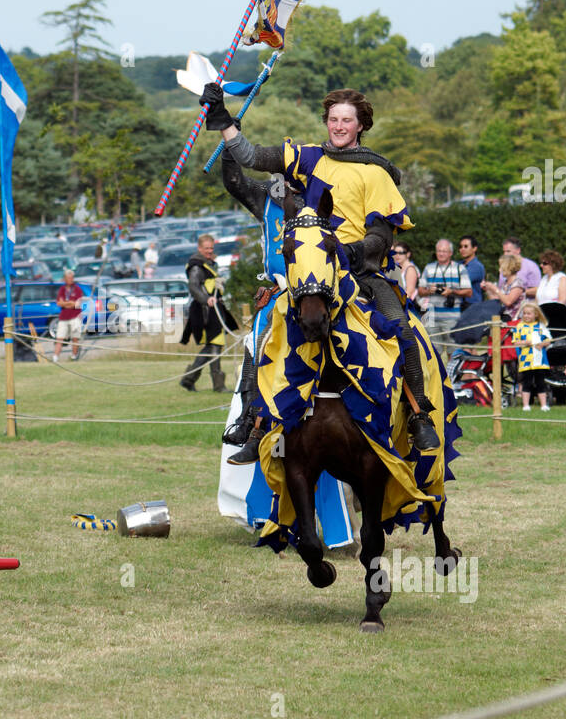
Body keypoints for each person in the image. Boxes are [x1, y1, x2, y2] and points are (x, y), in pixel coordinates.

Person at [207, 82, 444, 450]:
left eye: (346, 120)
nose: (338, 126)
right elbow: (250, 156)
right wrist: (222, 118)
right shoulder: (306, 156)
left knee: (400, 326)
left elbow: (381, 237)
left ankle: (418, 416)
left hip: (358, 272)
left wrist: (351, 252)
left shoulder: (376, 173)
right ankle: (254, 422)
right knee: (264, 330)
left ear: (360, 124)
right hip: (311, 272)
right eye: (333, 119)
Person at [218, 145, 301, 463]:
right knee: (255, 344)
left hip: (320, 288)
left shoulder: (322, 198)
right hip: (279, 293)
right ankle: (252, 426)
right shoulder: (266, 199)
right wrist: (228, 148)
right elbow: (235, 182)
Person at [179, 233, 234, 392]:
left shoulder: (209, 263)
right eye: (206, 248)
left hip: (214, 310)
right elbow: (193, 287)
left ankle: (190, 380)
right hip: (205, 311)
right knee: (214, 345)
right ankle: (216, 385)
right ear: (199, 248)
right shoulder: (196, 266)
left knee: (213, 346)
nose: (209, 251)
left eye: (211, 248)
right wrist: (206, 299)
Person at [417, 239, 472, 358]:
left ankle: (453, 375)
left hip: (452, 317)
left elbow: (469, 292)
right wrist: (429, 290)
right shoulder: (429, 268)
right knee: (432, 351)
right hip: (431, 317)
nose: (441, 254)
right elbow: (420, 291)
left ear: (450, 253)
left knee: (454, 351)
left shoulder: (459, 269)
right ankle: (437, 376)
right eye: (439, 251)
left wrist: (451, 291)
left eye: (444, 251)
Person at [512, 302, 553, 410]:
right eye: (524, 313)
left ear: (536, 314)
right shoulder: (519, 327)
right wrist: (525, 342)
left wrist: (542, 344)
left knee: (540, 383)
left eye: (529, 314)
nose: (526, 316)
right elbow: (515, 342)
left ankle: (543, 405)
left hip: (540, 360)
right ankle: (526, 405)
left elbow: (549, 340)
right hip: (526, 361)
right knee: (527, 382)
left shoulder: (541, 326)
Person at [52, 269, 84, 362]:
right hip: (63, 317)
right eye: (68, 278)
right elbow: (59, 303)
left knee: (75, 338)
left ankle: (74, 356)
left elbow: (77, 304)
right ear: (65, 279)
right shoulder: (62, 289)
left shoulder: (77, 289)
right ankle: (55, 357)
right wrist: (69, 303)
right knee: (59, 338)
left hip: (75, 316)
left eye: (71, 278)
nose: (70, 279)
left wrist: (66, 303)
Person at [535, 250, 566, 332]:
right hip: (542, 318)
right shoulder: (543, 279)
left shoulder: (562, 278)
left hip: (556, 319)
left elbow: (562, 300)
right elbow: (538, 299)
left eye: (544, 263)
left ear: (552, 264)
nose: (541, 265)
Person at [483, 254, 525, 321]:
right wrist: (488, 290)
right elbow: (497, 300)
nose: (499, 269)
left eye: (501, 267)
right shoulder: (505, 283)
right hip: (502, 317)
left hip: (513, 320)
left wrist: (495, 289)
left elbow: (508, 301)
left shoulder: (518, 283)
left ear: (507, 267)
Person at [458, 236, 485, 311]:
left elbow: (459, 281)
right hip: (459, 306)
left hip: (472, 307)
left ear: (474, 248)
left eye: (466, 246)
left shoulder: (477, 267)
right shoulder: (458, 264)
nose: (462, 249)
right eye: (460, 247)